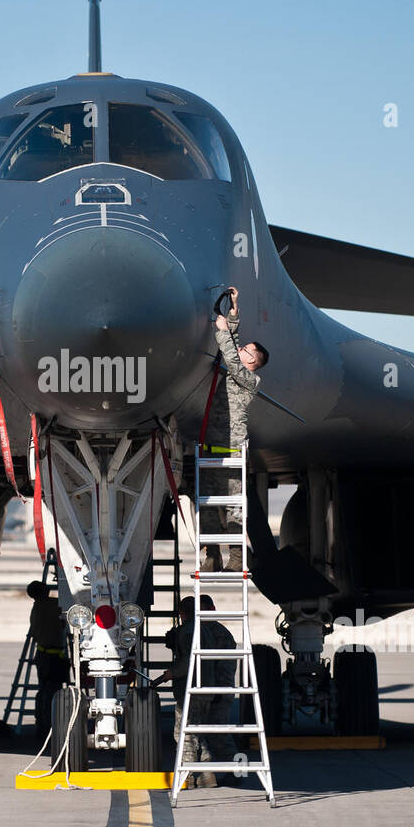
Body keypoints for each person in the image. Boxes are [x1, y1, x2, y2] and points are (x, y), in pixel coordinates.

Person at [202, 286, 269, 573]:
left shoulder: (249, 380)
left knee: (232, 507)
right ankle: (212, 553)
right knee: (205, 502)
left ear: (252, 361)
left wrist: (221, 332)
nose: (241, 350)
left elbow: (231, 355)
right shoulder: (239, 372)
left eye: (246, 351)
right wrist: (233, 313)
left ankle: (238, 555)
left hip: (230, 450)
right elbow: (234, 347)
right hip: (213, 447)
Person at [166, 595, 238, 788]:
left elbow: (215, 665)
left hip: (215, 689)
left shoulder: (215, 633)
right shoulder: (206, 631)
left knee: (206, 733)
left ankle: (226, 771)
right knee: (206, 734)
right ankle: (209, 775)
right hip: (212, 689)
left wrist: (217, 692)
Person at [26, 580, 67, 744]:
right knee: (54, 692)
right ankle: (51, 726)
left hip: (43, 656)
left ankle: (42, 725)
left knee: (43, 690)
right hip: (55, 657)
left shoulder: (36, 609)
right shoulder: (53, 605)